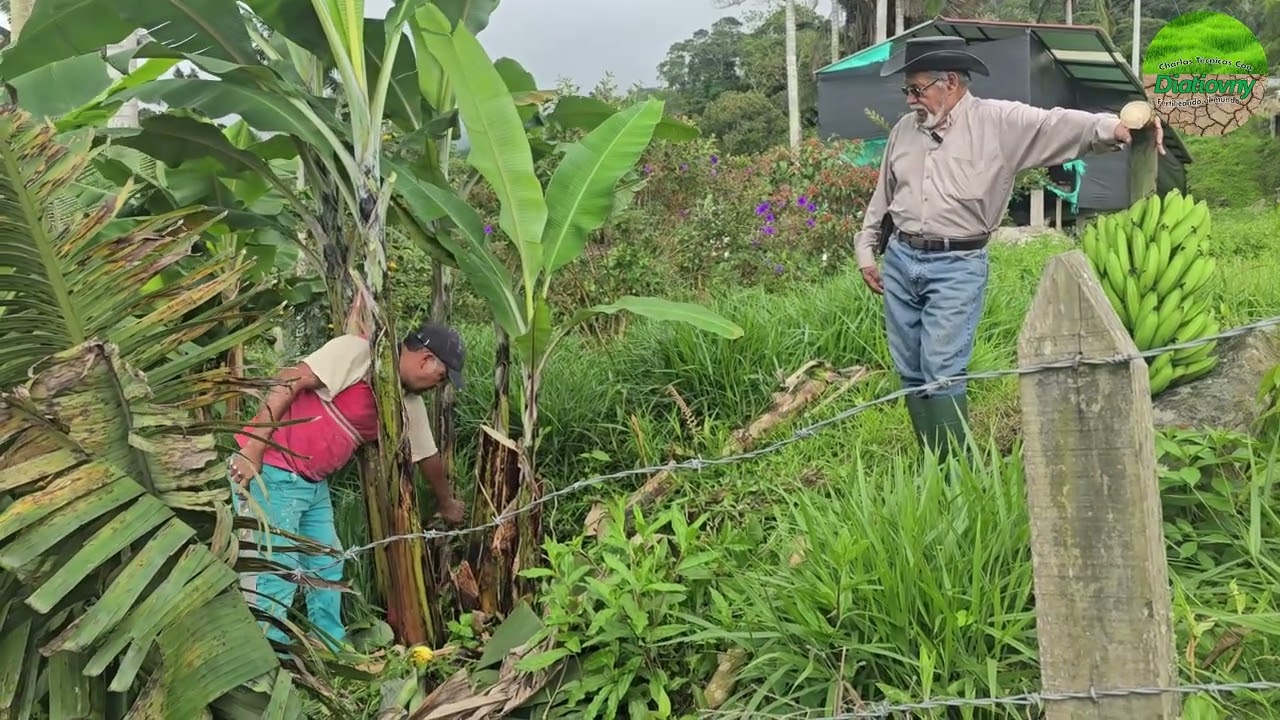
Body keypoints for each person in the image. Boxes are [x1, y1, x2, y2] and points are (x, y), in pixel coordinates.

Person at [854, 36, 1165, 462]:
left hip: (957, 263)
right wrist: (867, 249)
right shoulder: (904, 132)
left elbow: (1058, 124)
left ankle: (953, 475)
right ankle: (929, 464)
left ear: (950, 83)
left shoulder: (999, 122)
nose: (910, 100)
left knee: (942, 372)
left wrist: (1115, 126)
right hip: (902, 259)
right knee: (910, 370)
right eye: (906, 90)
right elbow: (883, 195)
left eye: (917, 89)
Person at [229, 317, 468, 650]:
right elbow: (289, 381)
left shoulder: (404, 401)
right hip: (271, 471)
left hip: (312, 484)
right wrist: (254, 447)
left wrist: (447, 504)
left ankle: (330, 643)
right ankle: (268, 661)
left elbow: (428, 458)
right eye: (441, 378)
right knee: (275, 572)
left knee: (328, 563)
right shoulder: (359, 354)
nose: (437, 387)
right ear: (426, 360)